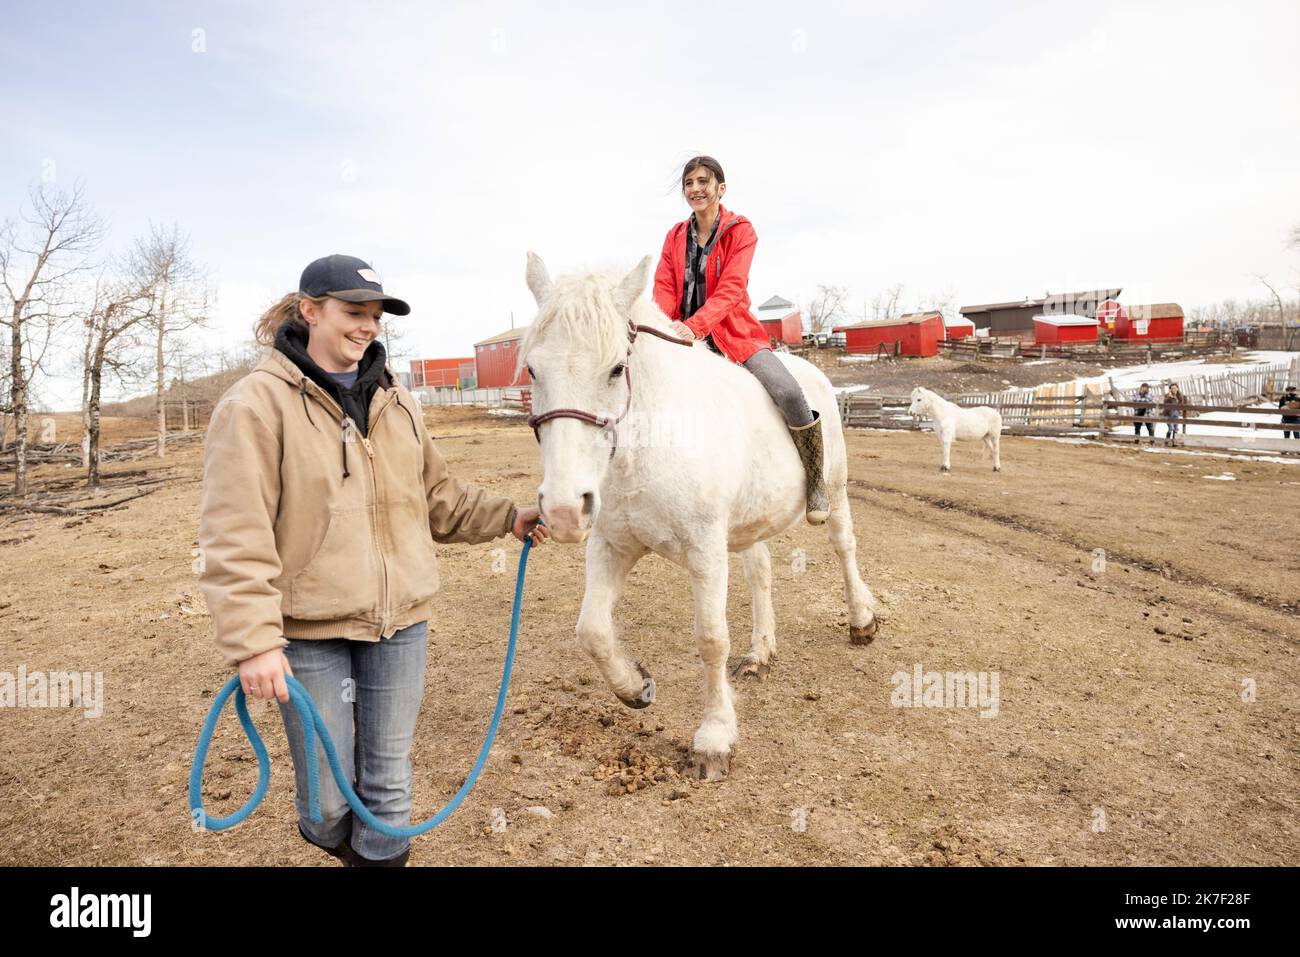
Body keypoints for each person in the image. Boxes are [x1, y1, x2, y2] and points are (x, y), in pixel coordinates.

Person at [197, 254, 547, 866]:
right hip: (309, 631)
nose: (367, 327)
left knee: (388, 785)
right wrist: (253, 641)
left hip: (400, 624)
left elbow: (439, 500)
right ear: (309, 312)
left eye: (375, 316)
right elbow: (235, 533)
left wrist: (510, 517)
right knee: (327, 800)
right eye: (353, 312)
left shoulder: (399, 403)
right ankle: (336, 840)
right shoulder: (254, 406)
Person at [651, 155, 829, 523]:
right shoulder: (674, 236)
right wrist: (666, 326)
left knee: (789, 392)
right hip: (682, 337)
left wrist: (696, 325)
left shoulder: (740, 230)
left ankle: (815, 481)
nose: (695, 189)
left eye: (703, 181)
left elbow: (732, 288)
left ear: (721, 188)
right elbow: (665, 286)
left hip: (734, 334)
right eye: (689, 183)